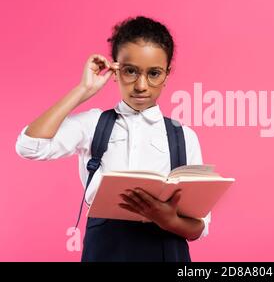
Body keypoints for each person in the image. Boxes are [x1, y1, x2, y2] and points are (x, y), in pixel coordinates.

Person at [15, 16, 211, 261]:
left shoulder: (184, 136)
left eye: (154, 74)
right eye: (130, 71)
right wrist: (83, 90)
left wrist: (170, 220)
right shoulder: (93, 124)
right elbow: (29, 146)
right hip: (105, 250)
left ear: (167, 75)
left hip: (166, 250)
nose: (141, 85)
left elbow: (200, 226)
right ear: (115, 70)